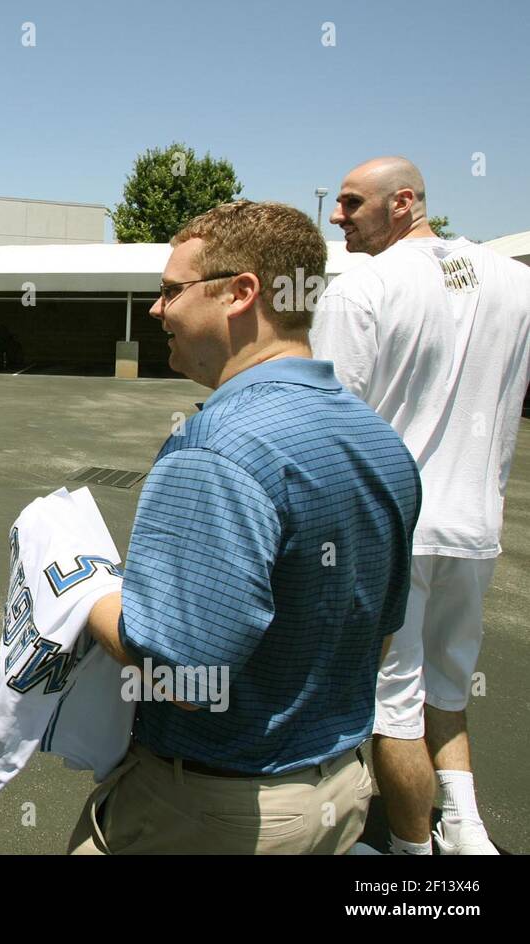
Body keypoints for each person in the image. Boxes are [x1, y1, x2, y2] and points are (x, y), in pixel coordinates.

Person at [72, 200, 420, 854]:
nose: (156, 309)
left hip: (210, 812)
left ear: (240, 293)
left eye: (171, 291)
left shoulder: (213, 449)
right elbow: (379, 634)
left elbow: (183, 672)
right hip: (338, 793)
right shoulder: (379, 440)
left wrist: (83, 592)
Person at [311, 156, 530, 855]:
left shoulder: (362, 288)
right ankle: (468, 834)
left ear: (402, 202)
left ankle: (411, 855)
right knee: (449, 687)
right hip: (475, 526)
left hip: (393, 532)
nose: (336, 216)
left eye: (350, 203)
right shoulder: (517, 284)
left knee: (393, 705)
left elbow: (329, 422)